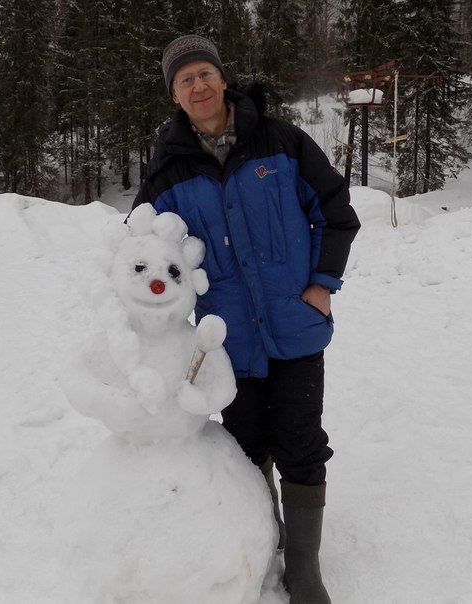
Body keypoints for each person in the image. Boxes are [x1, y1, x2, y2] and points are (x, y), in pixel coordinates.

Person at [128, 34, 360, 604]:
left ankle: (303, 568)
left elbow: (336, 211)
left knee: (301, 442)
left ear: (222, 79)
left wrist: (322, 284)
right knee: (246, 443)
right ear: (175, 96)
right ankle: (264, 537)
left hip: (295, 326)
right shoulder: (167, 170)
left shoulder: (281, 140)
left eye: (205, 73)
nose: (198, 86)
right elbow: (139, 254)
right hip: (227, 340)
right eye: (185, 80)